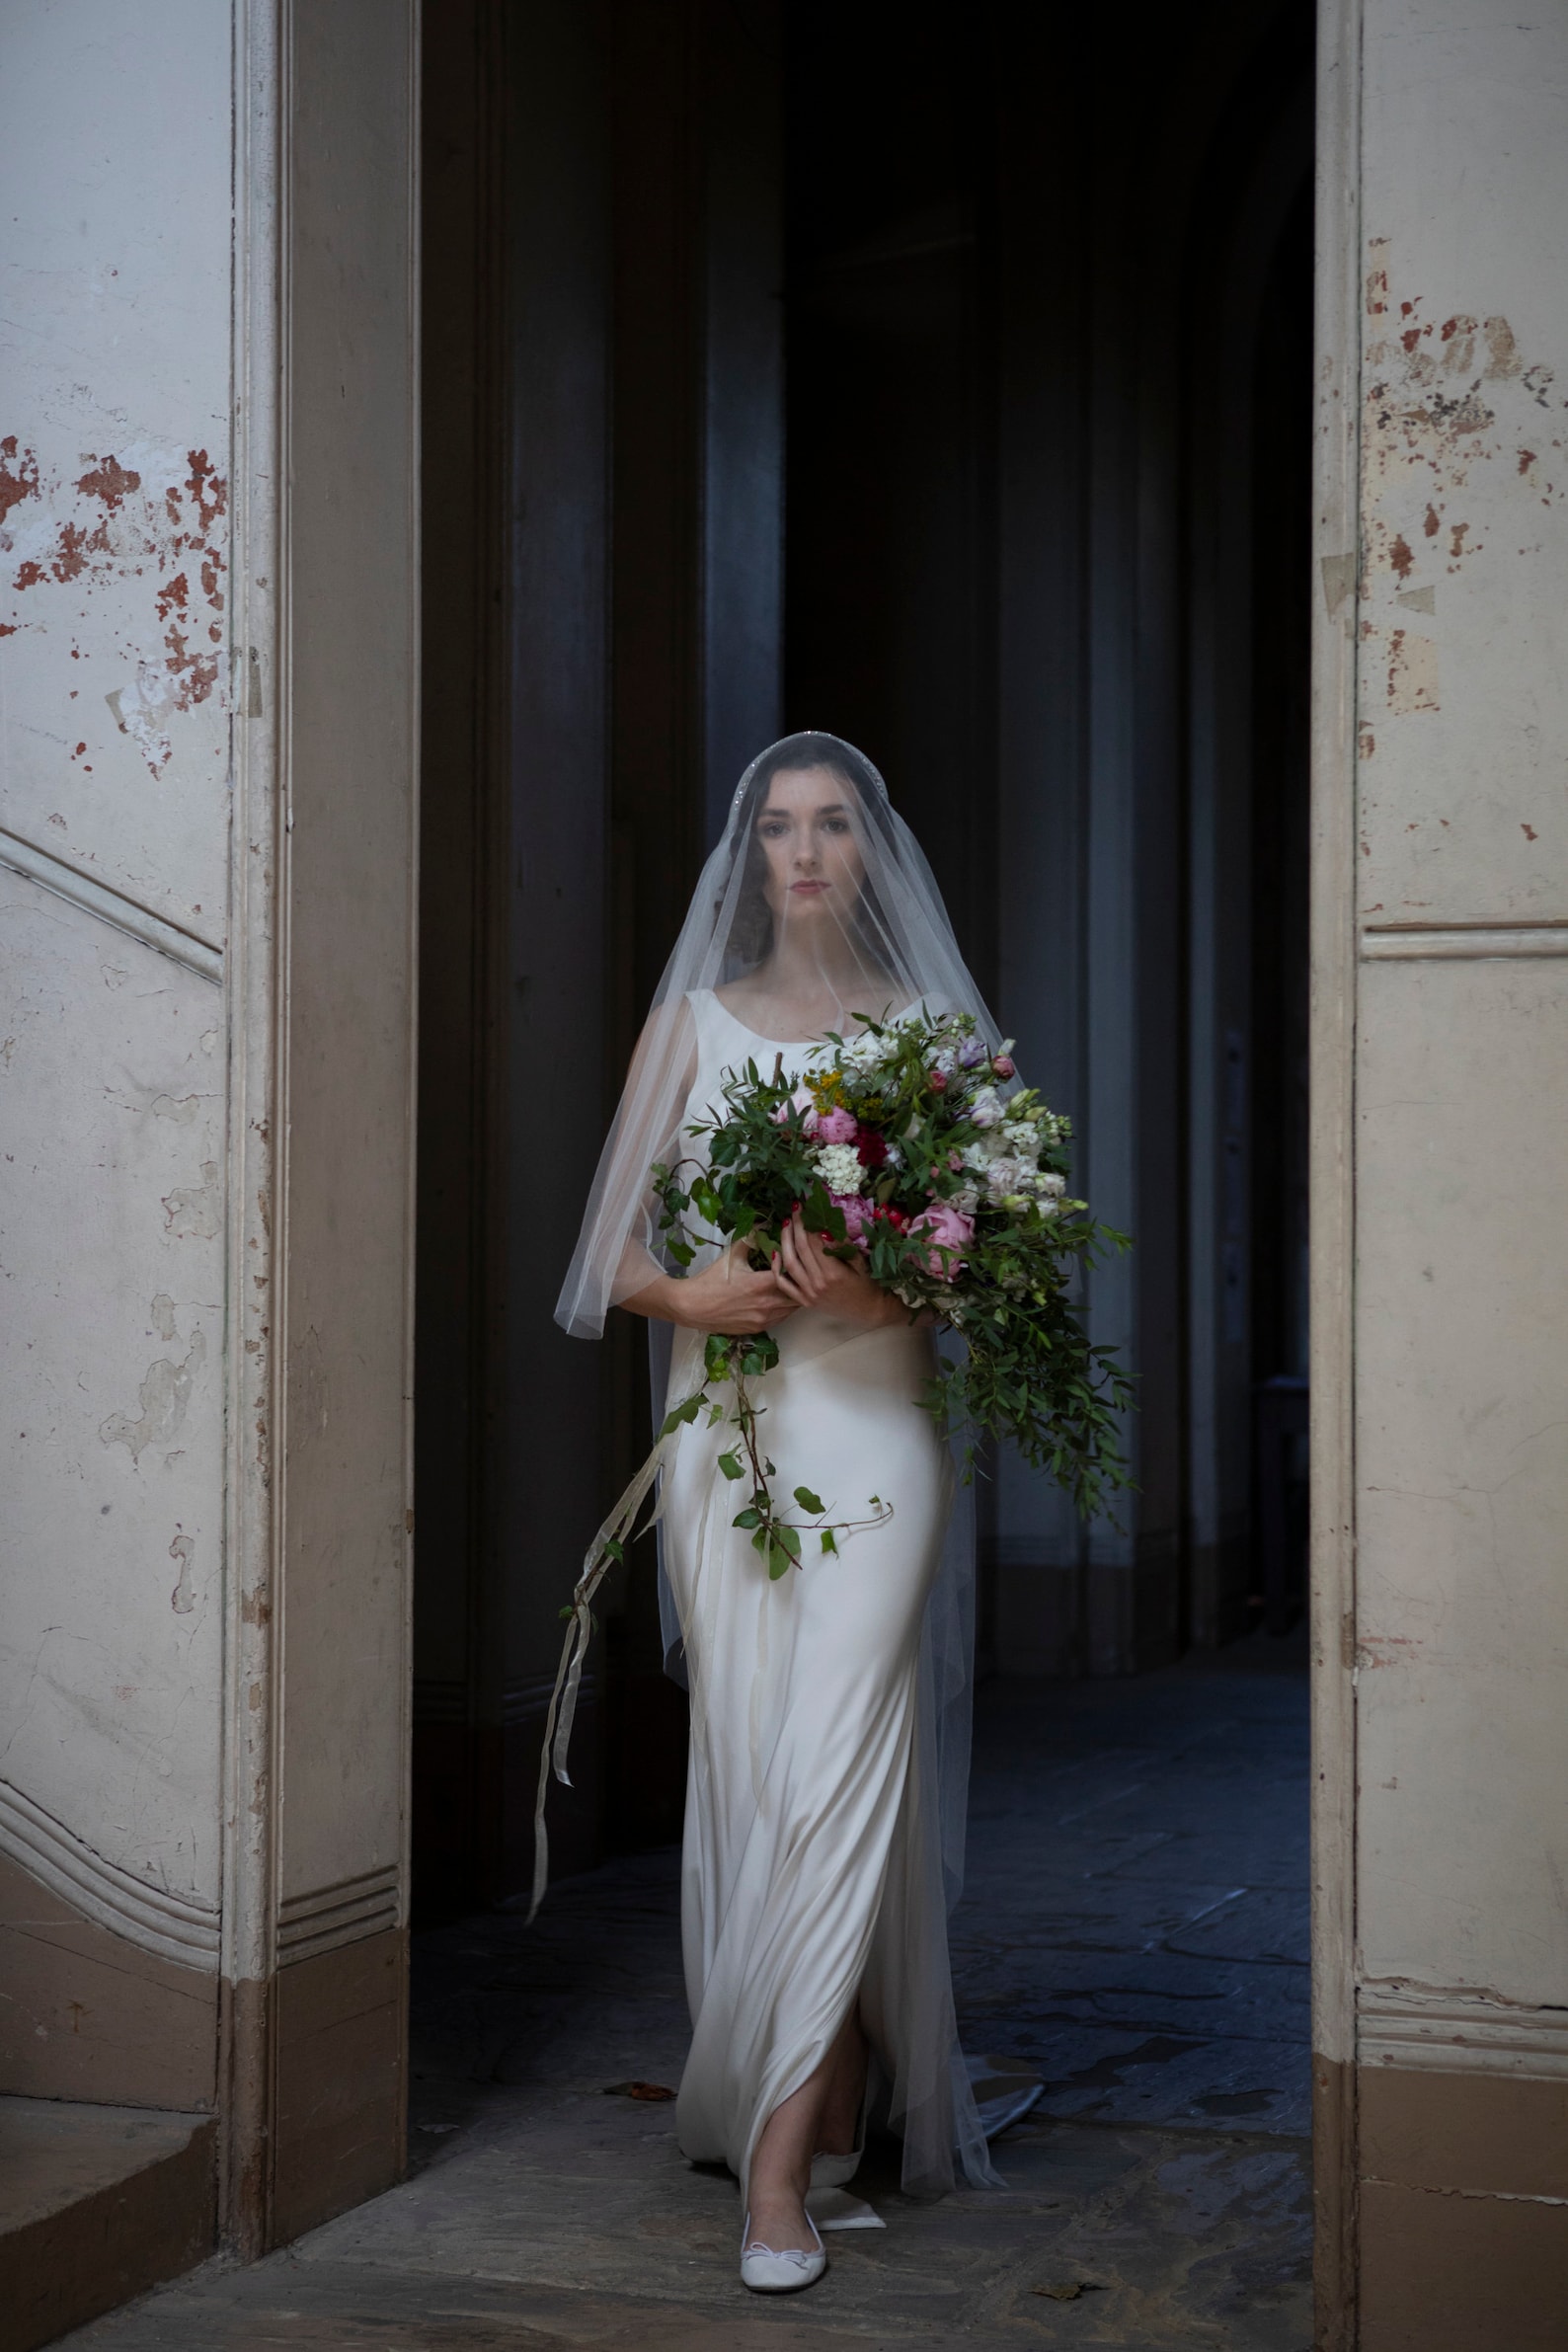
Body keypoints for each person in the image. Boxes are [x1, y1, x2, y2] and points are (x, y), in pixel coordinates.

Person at [556, 733, 1002, 2294]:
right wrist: (705, 1292)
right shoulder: (690, 1027)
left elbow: (986, 1272)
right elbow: (606, 1260)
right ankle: (834, 2066)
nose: (804, 850)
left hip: (878, 1435)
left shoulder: (934, 1037)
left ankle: (772, 2173)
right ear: (748, 855)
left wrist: (880, 1279)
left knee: (835, 1759)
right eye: (777, 825)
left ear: (872, 848)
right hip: (731, 1445)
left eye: (833, 823)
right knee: (758, 1770)